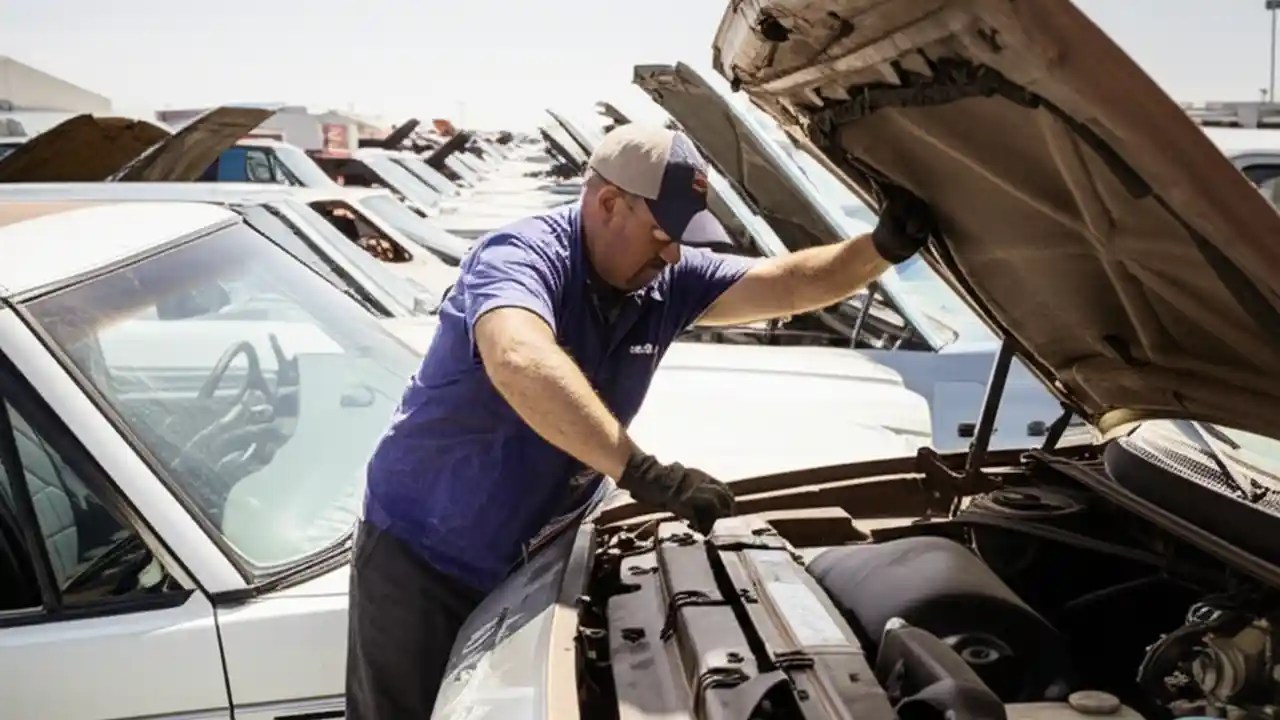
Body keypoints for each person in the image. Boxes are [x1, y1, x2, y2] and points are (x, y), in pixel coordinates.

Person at [345, 123, 933, 718]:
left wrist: (879, 247)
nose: (672, 252)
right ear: (607, 204)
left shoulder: (667, 277)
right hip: (424, 555)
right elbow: (518, 359)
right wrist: (644, 472)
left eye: (682, 237)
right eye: (661, 232)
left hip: (533, 559)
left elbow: (786, 282)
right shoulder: (521, 256)